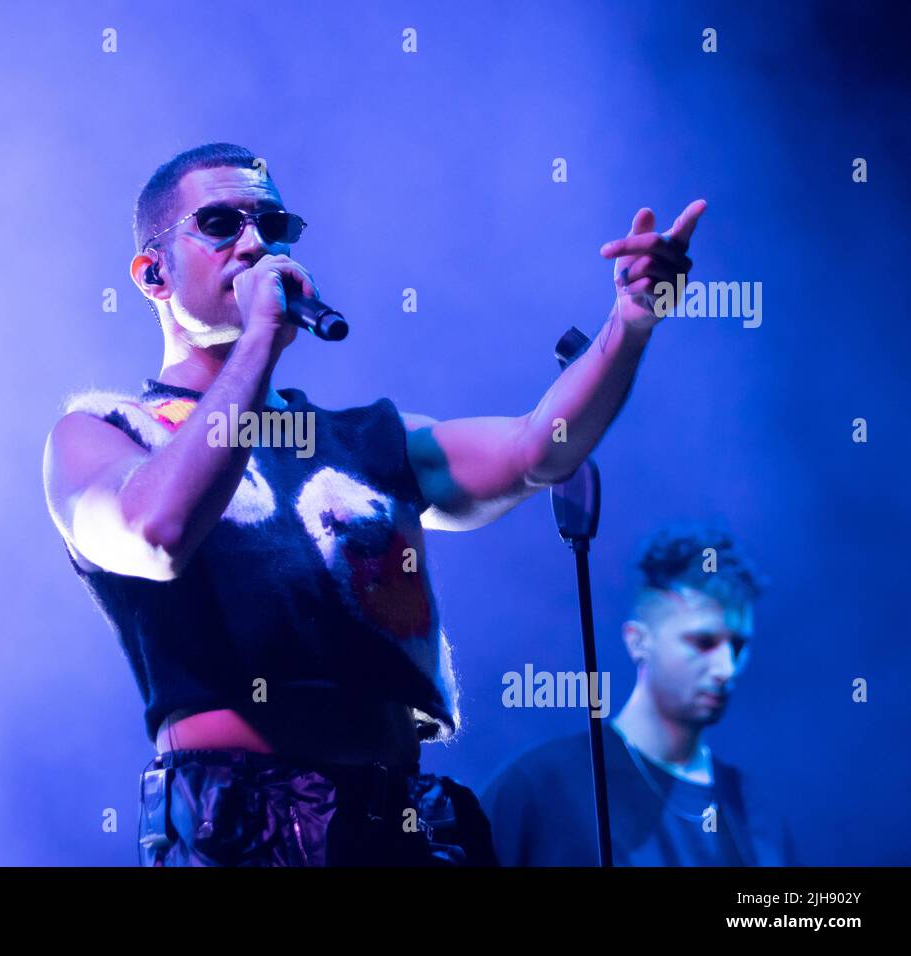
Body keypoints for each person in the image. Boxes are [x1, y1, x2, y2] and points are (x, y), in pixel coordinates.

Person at [42, 142, 706, 865]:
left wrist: (632, 322)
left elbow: (535, 451)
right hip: (237, 823)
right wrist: (259, 341)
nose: (255, 243)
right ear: (153, 273)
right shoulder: (105, 435)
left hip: (399, 817)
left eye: (272, 224)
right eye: (220, 223)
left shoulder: (366, 438)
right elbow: (156, 531)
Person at [480, 522, 797, 866]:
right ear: (638, 642)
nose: (726, 668)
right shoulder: (541, 787)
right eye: (703, 643)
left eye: (737, 646)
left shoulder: (756, 811)